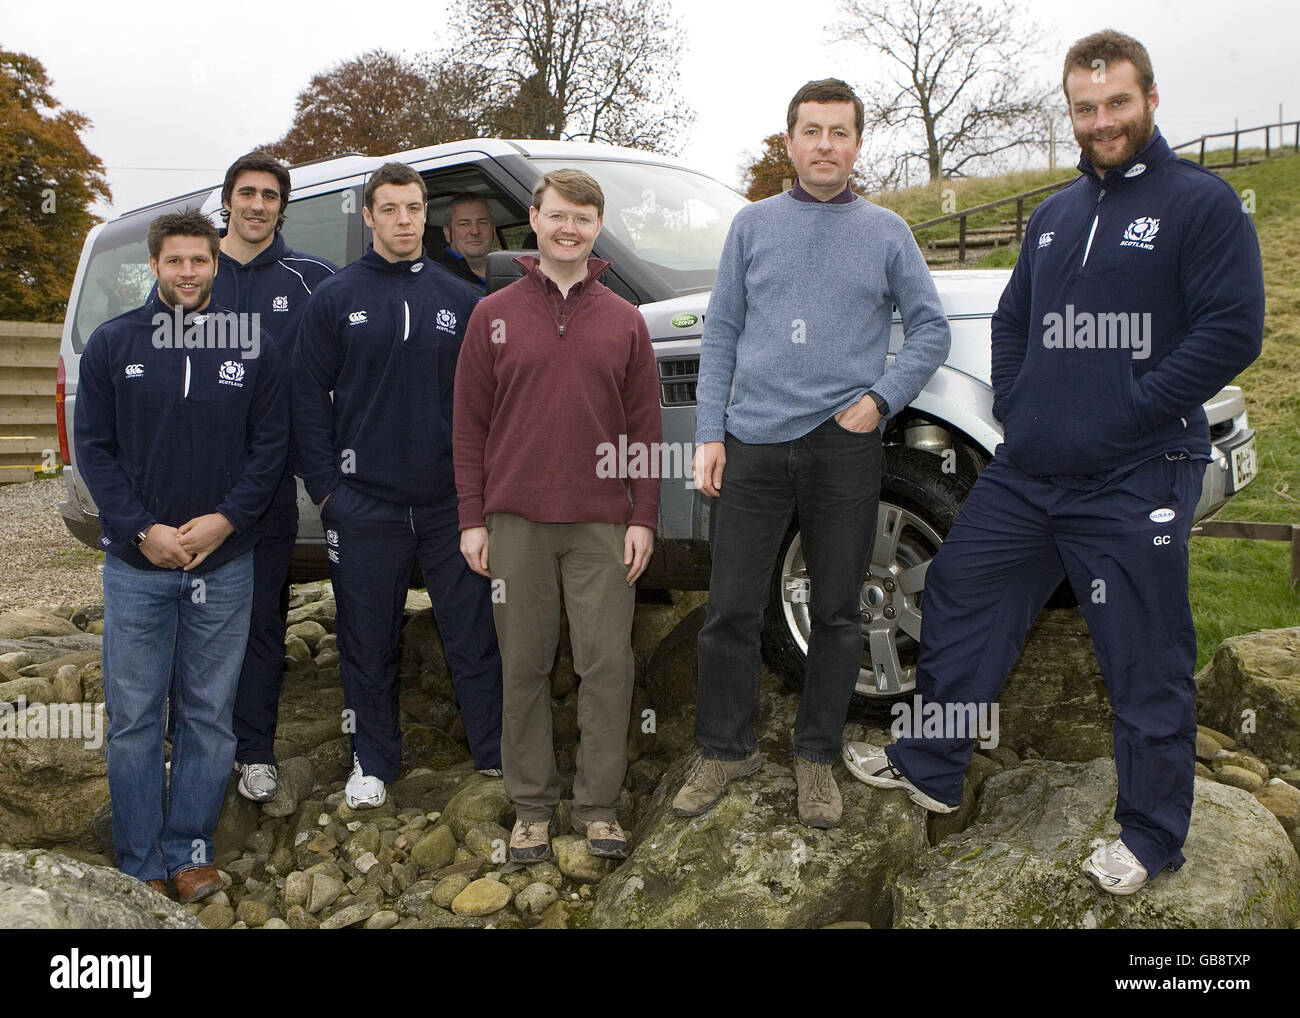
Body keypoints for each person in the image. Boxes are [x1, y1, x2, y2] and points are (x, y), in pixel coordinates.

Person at [844, 30, 1265, 896]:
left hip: (1138, 474)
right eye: (1085, 106)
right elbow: (1011, 320)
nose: (1101, 120)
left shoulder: (1201, 204)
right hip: (1033, 471)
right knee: (962, 587)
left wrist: (1133, 408)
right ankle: (932, 761)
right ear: (1069, 111)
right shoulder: (1058, 214)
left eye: (1117, 103)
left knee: (1142, 656)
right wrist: (1018, 400)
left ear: (1149, 99)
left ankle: (1151, 838)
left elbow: (1233, 330)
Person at [672, 79, 951, 828]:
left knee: (836, 611)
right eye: (812, 131)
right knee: (729, 609)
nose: (825, 144)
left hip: (843, 447)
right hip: (754, 444)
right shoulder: (752, 227)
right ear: (790, 141)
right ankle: (726, 748)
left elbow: (930, 330)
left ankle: (817, 755)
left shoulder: (888, 231)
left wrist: (880, 400)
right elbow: (721, 332)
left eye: (840, 132)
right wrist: (708, 435)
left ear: (857, 144)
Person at [75, 209, 288, 901]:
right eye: (177, 261)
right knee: (135, 718)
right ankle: (140, 862)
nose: (190, 273)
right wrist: (143, 530)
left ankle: (190, 852)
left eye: (201, 261)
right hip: (137, 568)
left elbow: (270, 448)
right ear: (156, 265)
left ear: (215, 265)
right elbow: (95, 455)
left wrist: (225, 521)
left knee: (208, 714)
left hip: (225, 563)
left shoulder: (251, 345)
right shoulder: (113, 344)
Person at [453, 168, 660, 862]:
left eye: (583, 217)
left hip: (603, 524)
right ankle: (533, 809)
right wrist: (472, 518)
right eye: (557, 215)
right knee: (524, 666)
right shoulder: (494, 315)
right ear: (535, 222)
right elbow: (468, 426)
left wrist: (644, 517)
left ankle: (599, 807)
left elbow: (645, 428)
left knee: (608, 667)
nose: (569, 228)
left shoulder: (626, 322)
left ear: (597, 227)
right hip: (514, 524)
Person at [294, 162, 503, 809]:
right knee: (366, 641)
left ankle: (495, 755)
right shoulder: (335, 298)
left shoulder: (459, 299)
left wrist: (481, 497)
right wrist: (329, 492)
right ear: (369, 217)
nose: (404, 220)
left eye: (414, 208)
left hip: (449, 507)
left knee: (472, 633)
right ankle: (373, 763)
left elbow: (488, 405)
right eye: (390, 209)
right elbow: (305, 398)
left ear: (426, 215)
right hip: (365, 508)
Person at [214, 151, 338, 803]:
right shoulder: (190, 273)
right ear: (227, 199)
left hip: (268, 492)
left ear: (282, 207)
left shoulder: (312, 278)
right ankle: (196, 744)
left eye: (269, 195)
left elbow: (359, 350)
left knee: (262, 624)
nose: (257, 204)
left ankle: (254, 752)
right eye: (247, 193)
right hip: (192, 490)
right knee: (196, 621)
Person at [435, 194, 494, 292]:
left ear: (493, 230)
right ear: (447, 233)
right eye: (464, 224)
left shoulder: (513, 272)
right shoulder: (436, 279)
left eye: (482, 222)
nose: (475, 231)